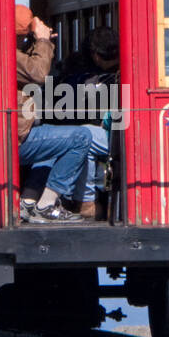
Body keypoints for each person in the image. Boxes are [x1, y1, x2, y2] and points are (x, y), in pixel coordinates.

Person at [15, 5, 92, 224]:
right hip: (17, 138)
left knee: (51, 146)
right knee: (81, 138)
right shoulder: (6, 51)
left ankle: (29, 202)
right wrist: (43, 40)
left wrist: (38, 41)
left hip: (19, 132)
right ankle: (47, 204)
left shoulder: (8, 48)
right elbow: (38, 73)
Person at [49, 26, 120, 219]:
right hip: (107, 127)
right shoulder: (77, 70)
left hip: (116, 131)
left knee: (84, 136)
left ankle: (85, 201)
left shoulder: (79, 72)